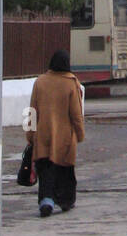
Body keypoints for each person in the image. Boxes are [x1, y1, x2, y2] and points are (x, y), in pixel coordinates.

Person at [26, 49, 86, 217]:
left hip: (43, 135)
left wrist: (30, 134)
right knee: (65, 169)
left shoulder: (40, 82)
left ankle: (46, 200)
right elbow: (76, 113)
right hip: (65, 137)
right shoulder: (71, 83)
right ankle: (66, 200)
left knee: (45, 169)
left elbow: (31, 109)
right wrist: (80, 134)